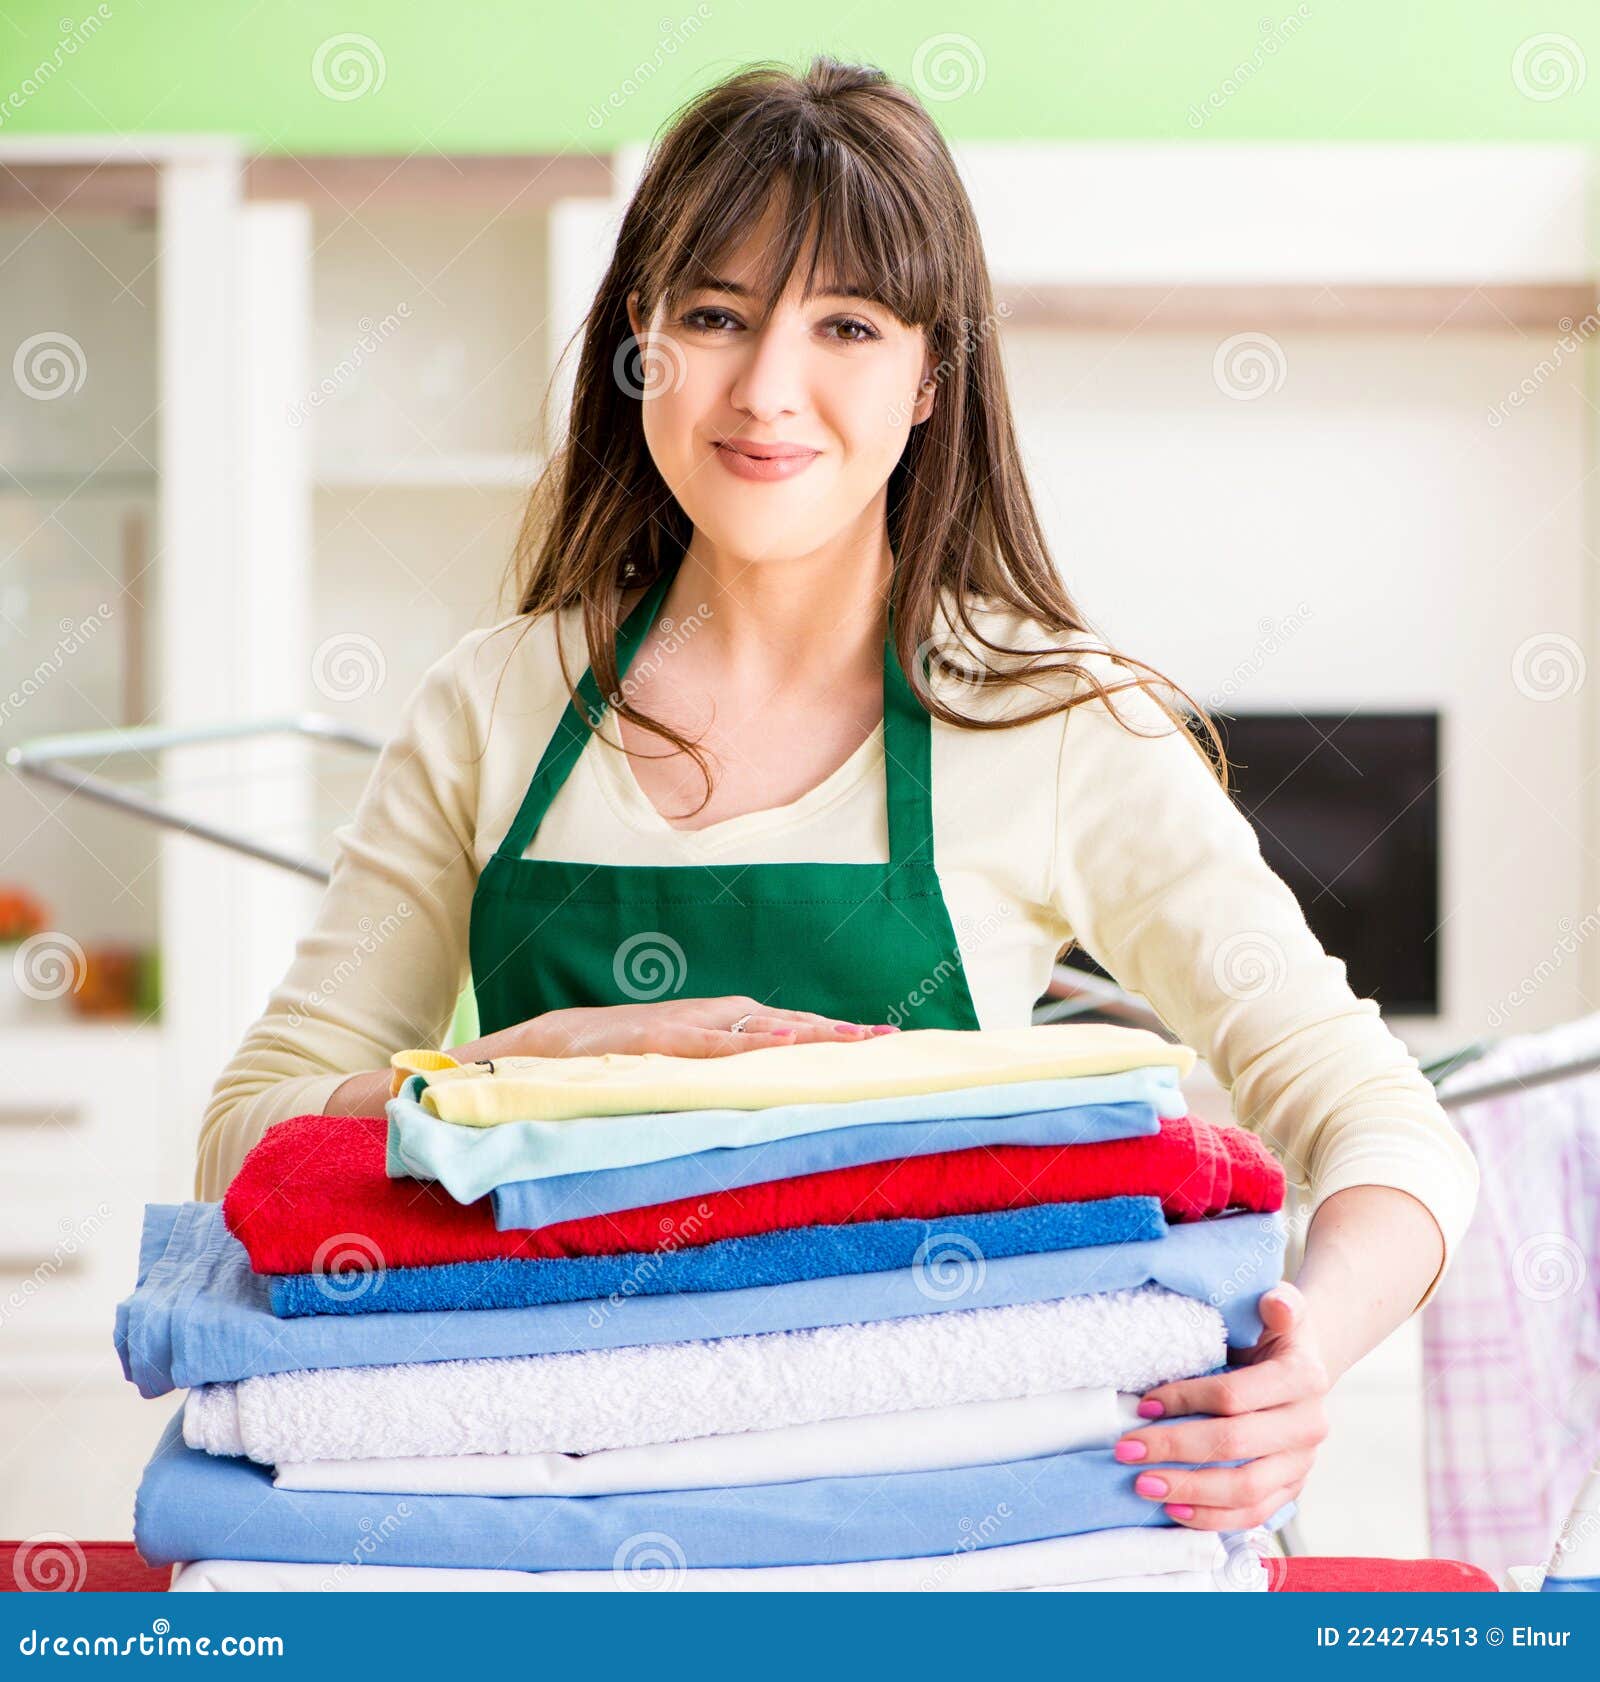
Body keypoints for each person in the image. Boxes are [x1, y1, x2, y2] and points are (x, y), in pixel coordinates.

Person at [198, 56, 1478, 1534]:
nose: (765, 391)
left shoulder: (1056, 721)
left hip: (944, 1526)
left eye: (847, 326)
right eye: (715, 315)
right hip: (544, 1510)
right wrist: (520, 1069)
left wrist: (1306, 1345)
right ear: (642, 342)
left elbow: (1383, 1119)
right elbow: (249, 1129)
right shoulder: (492, 708)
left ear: (935, 375)